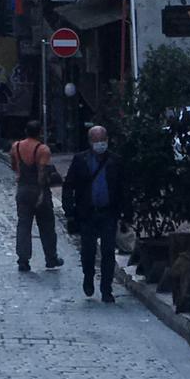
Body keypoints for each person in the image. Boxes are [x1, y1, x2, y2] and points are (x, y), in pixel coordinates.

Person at [62, 124, 127, 303]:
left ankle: (107, 289)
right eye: (96, 141)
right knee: (88, 251)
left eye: (102, 140)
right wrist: (69, 211)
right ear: (90, 142)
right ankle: (88, 277)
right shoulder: (80, 160)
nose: (100, 144)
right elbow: (69, 186)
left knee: (108, 252)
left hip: (108, 213)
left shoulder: (115, 160)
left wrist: (125, 213)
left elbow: (123, 188)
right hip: (87, 213)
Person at [11, 119, 64, 274]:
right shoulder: (43, 150)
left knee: (23, 226)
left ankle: (23, 260)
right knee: (47, 226)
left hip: (22, 189)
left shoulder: (16, 146)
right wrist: (41, 194)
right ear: (40, 132)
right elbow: (42, 173)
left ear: (26, 132)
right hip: (38, 191)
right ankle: (51, 258)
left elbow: (14, 165)